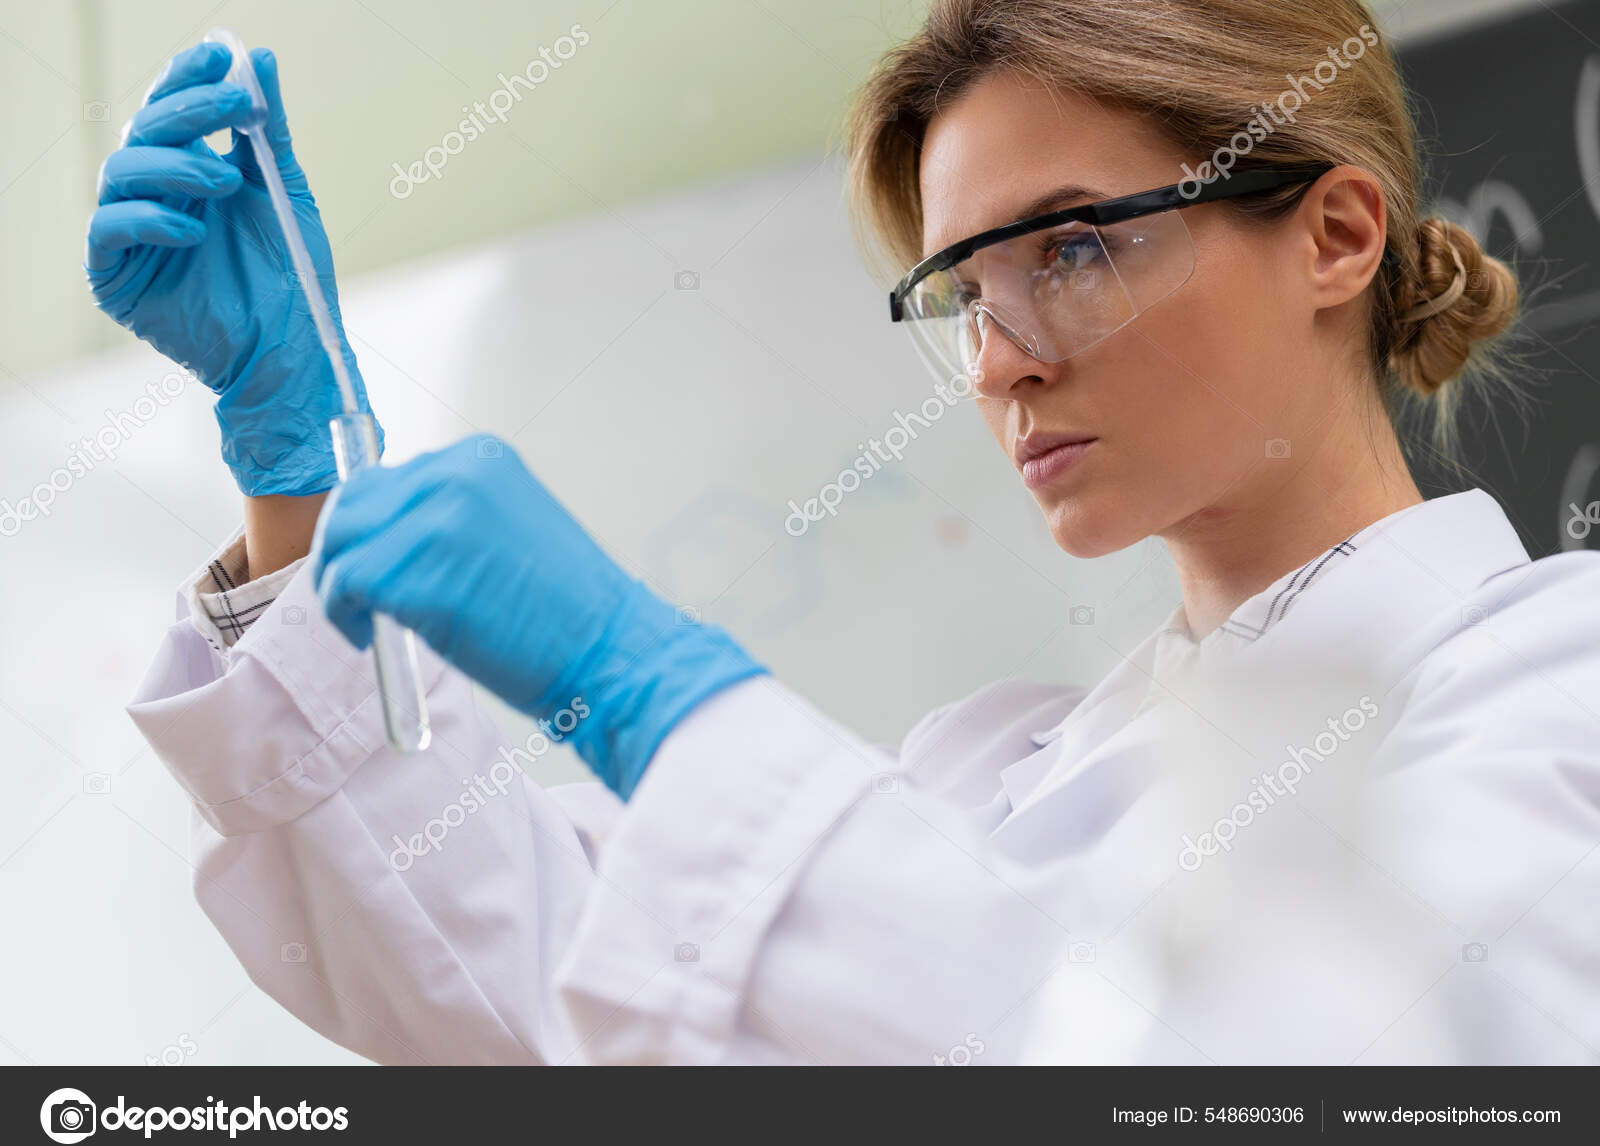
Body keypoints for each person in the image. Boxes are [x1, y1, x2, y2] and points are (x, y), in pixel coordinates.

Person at [94, 0, 1600, 1064]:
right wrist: (294, 473)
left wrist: (656, 688)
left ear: (1335, 233)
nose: (1001, 360)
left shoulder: (1552, 679)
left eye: (1071, 248)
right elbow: (517, 999)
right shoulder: (979, 775)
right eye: (964, 293)